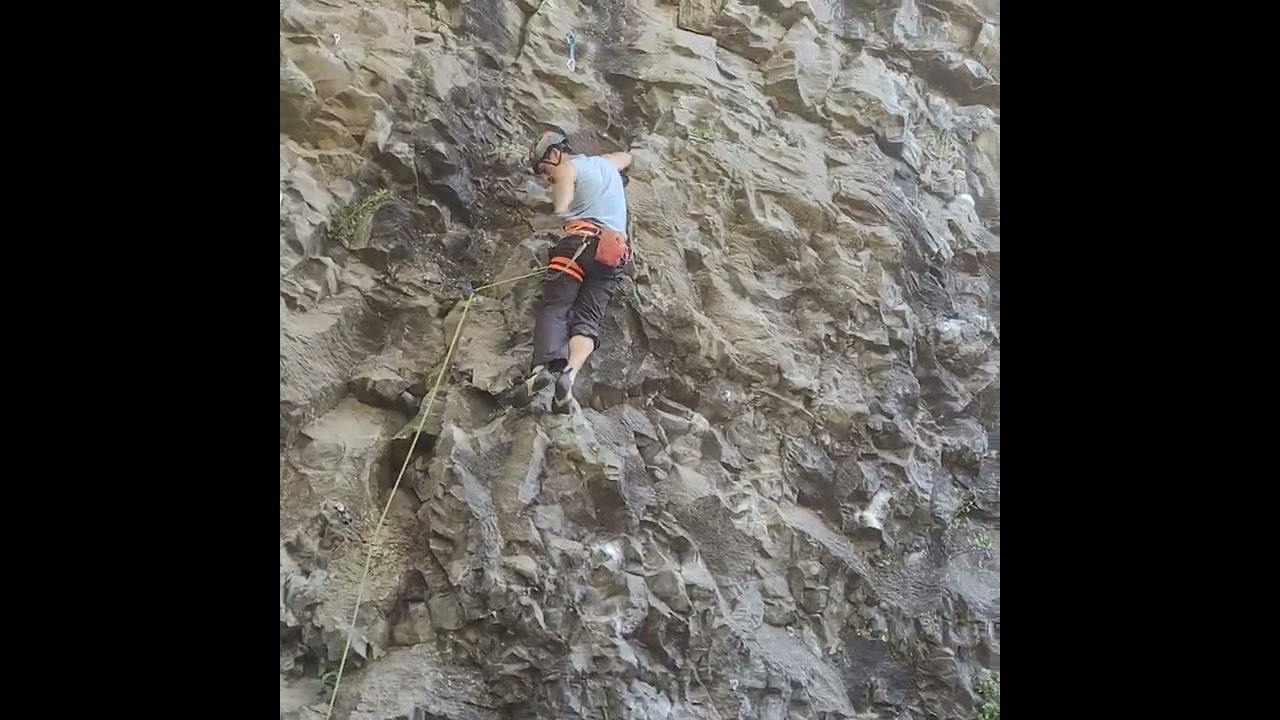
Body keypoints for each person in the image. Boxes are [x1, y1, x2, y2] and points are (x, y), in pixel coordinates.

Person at [507, 125, 634, 414]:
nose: (546, 177)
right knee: (589, 317)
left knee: (556, 305)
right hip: (613, 252)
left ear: (555, 153)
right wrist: (631, 156)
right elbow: (625, 157)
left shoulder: (566, 168)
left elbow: (562, 196)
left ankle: (543, 369)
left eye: (544, 169)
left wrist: (562, 208)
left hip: (578, 243)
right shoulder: (605, 163)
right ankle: (570, 376)